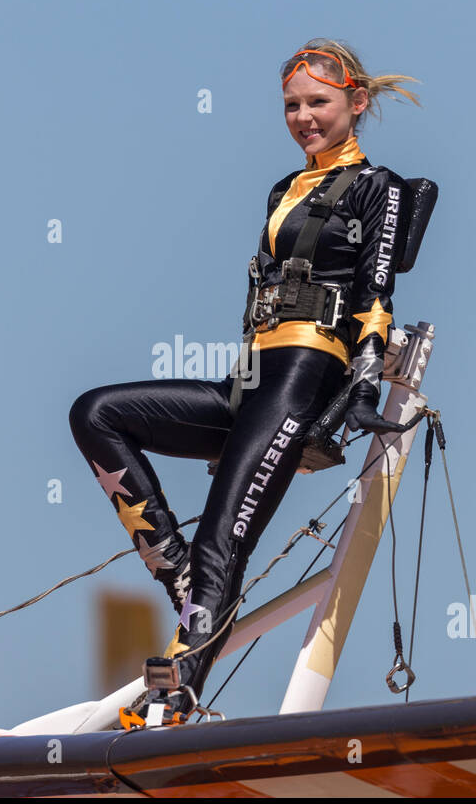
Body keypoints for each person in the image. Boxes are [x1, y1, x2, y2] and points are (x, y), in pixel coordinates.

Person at [69, 39, 422, 723]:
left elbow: (376, 292)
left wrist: (365, 381)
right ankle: (183, 580)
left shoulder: (381, 187)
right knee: (96, 413)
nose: (303, 117)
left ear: (357, 102)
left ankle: (177, 690)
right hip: (252, 378)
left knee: (223, 540)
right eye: (291, 105)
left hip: (306, 373)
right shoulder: (283, 189)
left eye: (318, 102)